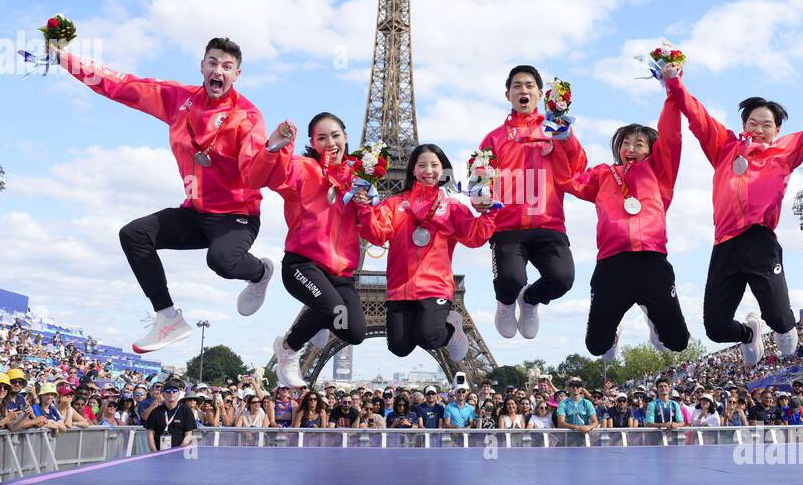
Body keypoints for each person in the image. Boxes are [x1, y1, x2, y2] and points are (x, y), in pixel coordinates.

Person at [49, 34, 274, 354]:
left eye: (227, 66)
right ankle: (167, 317)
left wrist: (273, 150)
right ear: (202, 66)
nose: (218, 71)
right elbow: (121, 85)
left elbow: (256, 168)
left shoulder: (248, 116)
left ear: (237, 75)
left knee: (222, 261)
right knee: (133, 234)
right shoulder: (178, 99)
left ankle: (261, 272)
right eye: (213, 63)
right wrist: (64, 59)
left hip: (235, 216)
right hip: (195, 212)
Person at [667, 66, 803, 365]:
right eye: (752, 123)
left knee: (779, 319)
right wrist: (673, 82)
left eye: (767, 125)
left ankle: (782, 326)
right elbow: (696, 115)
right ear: (743, 124)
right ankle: (748, 334)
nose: (759, 129)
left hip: (760, 241)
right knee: (714, 328)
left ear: (777, 130)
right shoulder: (724, 147)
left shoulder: (786, 150)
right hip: (724, 244)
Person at [549, 67, 689, 360]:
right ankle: (615, 331)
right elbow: (569, 180)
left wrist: (671, 88)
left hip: (652, 262)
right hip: (612, 265)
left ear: (651, 149)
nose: (631, 147)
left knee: (677, 341)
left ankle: (653, 320)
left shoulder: (660, 172)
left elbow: (672, 137)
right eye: (626, 142)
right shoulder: (603, 175)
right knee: (597, 346)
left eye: (639, 143)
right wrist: (564, 137)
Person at [251, 114, 370, 387]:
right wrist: (276, 147)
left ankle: (318, 320)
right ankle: (289, 348)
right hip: (303, 264)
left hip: (340, 274)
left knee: (354, 331)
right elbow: (269, 176)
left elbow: (377, 230)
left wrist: (367, 207)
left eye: (336, 135)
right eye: (322, 137)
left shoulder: (358, 180)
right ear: (312, 143)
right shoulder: (303, 167)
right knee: (331, 307)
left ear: (346, 137)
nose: (331, 142)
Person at [357, 144, 496, 363]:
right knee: (399, 347)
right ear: (412, 169)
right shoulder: (393, 204)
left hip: (434, 286)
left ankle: (451, 327)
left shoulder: (452, 207)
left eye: (434, 165)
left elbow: (475, 237)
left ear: (443, 170)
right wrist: (365, 210)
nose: (428, 170)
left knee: (429, 337)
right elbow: (377, 234)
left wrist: (487, 212)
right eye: (422, 165)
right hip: (400, 288)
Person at [479, 65, 587, 341]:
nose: (523, 90)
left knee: (562, 279)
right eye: (517, 86)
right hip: (507, 226)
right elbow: (480, 176)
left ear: (541, 94)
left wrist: (567, 138)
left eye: (529, 85)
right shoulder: (494, 138)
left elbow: (578, 167)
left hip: (548, 223)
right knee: (511, 280)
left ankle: (529, 301)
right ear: (507, 95)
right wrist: (480, 196)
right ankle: (505, 303)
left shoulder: (555, 129)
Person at [143, 379, 197, 450]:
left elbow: (189, 435)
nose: (171, 393)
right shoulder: (156, 411)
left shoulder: (186, 411)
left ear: (178, 393)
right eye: (168, 391)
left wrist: (178, 451)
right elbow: (150, 434)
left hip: (179, 454)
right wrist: (155, 453)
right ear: (163, 394)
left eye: (174, 391)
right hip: (159, 454)